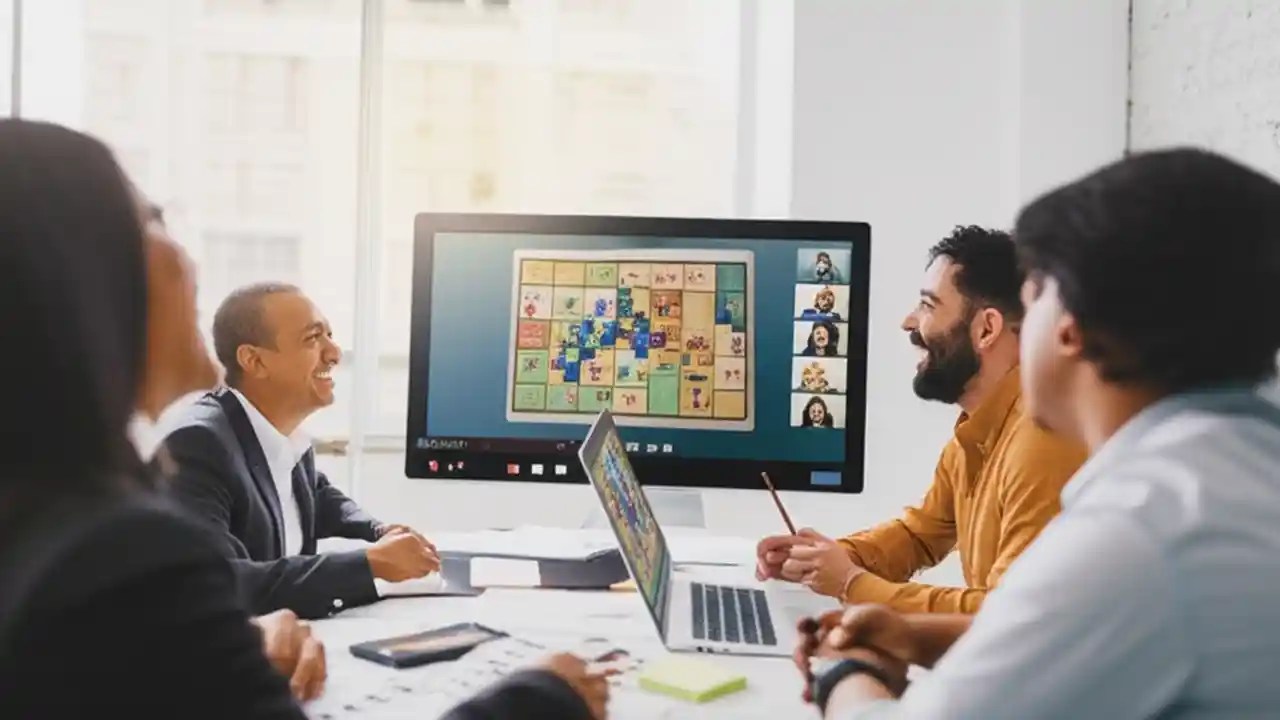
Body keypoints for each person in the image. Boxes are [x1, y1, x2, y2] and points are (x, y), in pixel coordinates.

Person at [0, 118, 610, 718]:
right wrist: (541, 698)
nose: (186, 256)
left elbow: (317, 498)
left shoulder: (54, 529)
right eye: (153, 219)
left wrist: (225, 647)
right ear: (87, 280)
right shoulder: (124, 554)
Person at [794, 148, 1280, 718]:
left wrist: (847, 669)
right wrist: (915, 635)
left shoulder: (1140, 530)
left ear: (1070, 329)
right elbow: (1076, 633)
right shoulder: (1232, 472)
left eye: (1033, 301)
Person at [758, 226, 1086, 613]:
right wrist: (822, 559)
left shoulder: (1041, 441)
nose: (909, 322)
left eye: (928, 306)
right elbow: (919, 535)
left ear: (986, 329)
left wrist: (850, 582)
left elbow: (1003, 614)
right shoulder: (976, 432)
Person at [161, 282, 439, 619]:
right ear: (254, 360)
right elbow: (218, 582)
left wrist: (377, 530)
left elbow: (316, 495)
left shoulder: (283, 433)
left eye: (329, 336)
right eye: (313, 338)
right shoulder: (197, 444)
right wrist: (369, 563)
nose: (334, 353)